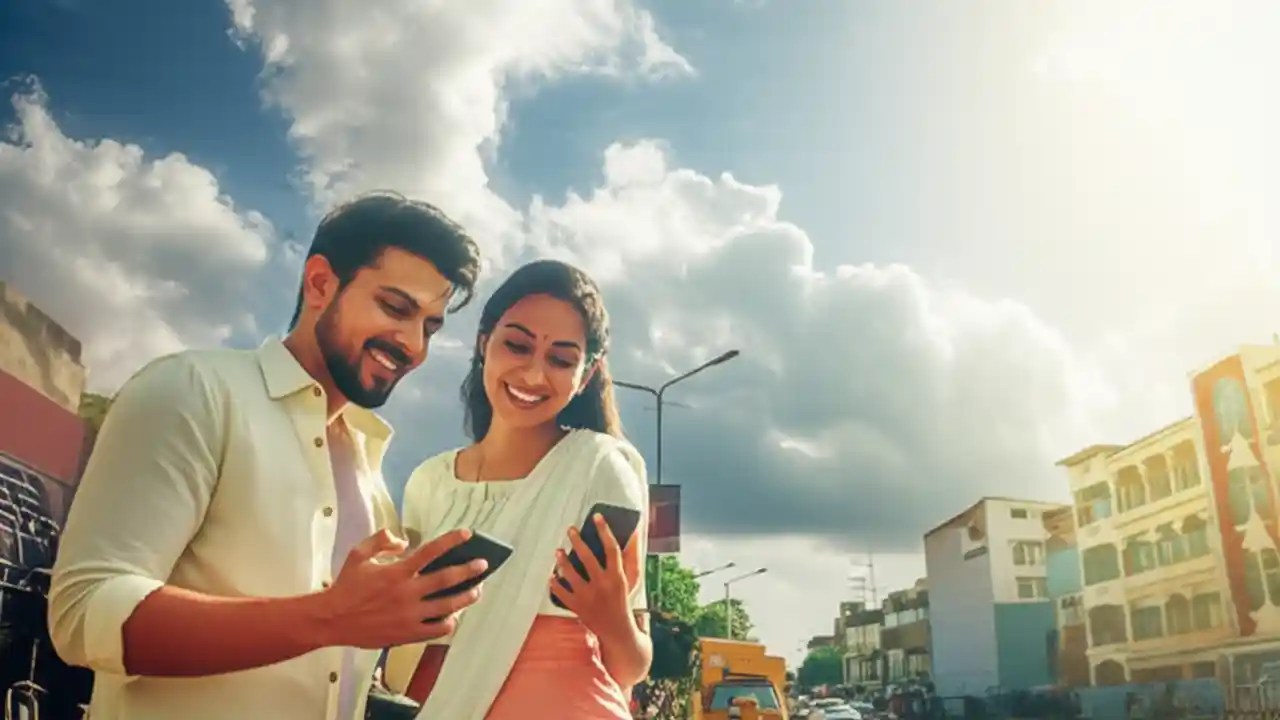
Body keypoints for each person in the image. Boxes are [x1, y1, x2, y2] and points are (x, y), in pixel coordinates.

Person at [48, 192, 490, 720]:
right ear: (321, 283)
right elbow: (82, 614)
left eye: (431, 326)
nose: (413, 345)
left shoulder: (371, 472)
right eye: (395, 308)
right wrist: (328, 618)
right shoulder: (195, 390)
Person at [383, 259, 653, 719]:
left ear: (585, 376)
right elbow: (401, 650)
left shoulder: (600, 467)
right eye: (517, 345)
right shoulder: (429, 483)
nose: (533, 375)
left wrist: (612, 620)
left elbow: (630, 668)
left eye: (561, 359)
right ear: (484, 343)